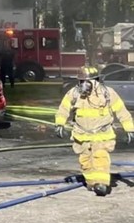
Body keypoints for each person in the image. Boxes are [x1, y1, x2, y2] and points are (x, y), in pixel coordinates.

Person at [54, 66, 134, 196]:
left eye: (87, 81)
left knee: (100, 157)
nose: (84, 84)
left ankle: (102, 184)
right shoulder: (74, 93)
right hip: (82, 135)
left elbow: (121, 111)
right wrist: (59, 124)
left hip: (102, 134)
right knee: (85, 160)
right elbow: (63, 109)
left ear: (96, 80)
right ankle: (92, 183)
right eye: (81, 81)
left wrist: (129, 129)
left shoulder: (107, 93)